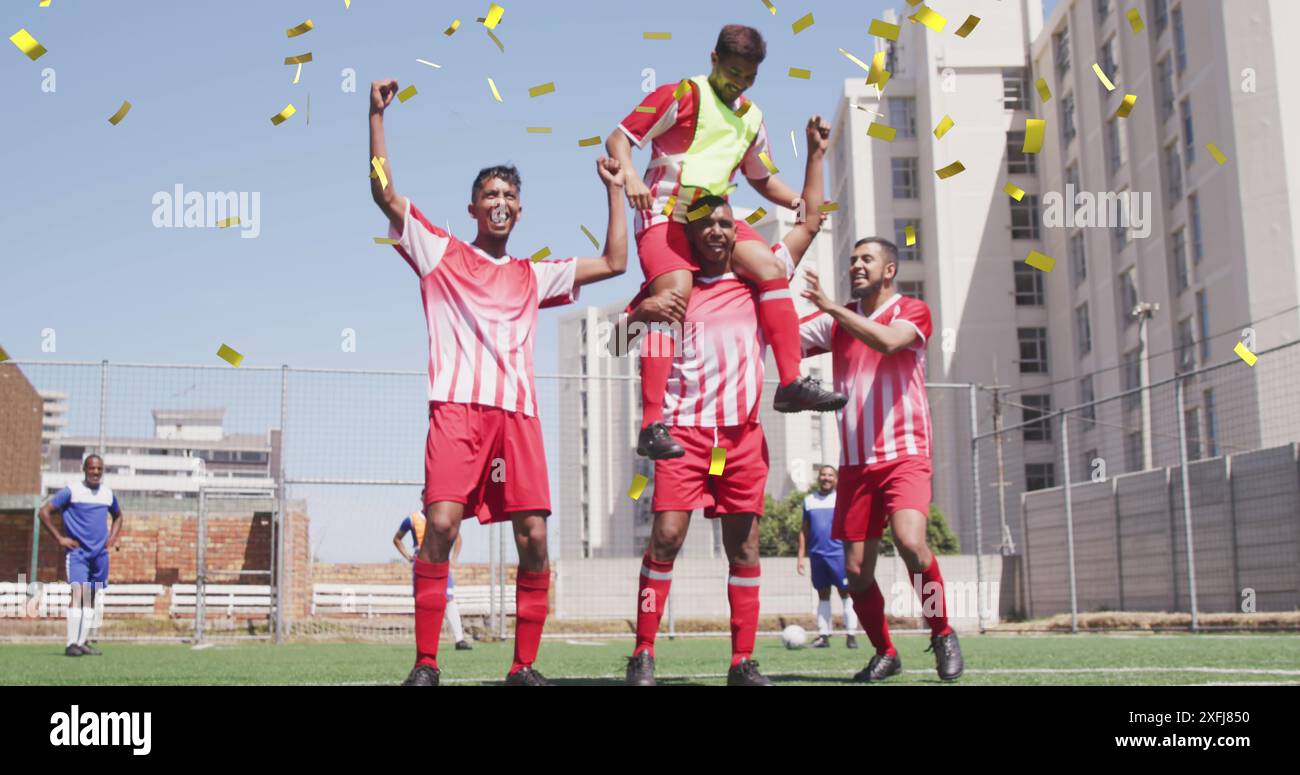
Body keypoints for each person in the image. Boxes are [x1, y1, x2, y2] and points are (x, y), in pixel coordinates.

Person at [369, 76, 628, 686]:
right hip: (457, 412)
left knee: (535, 538)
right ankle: (428, 662)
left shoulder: (533, 275)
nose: (501, 201)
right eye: (490, 193)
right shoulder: (440, 252)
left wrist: (614, 191)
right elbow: (384, 194)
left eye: (510, 193)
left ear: (520, 207)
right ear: (473, 207)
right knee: (439, 526)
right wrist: (376, 117)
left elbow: (617, 262)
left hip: (517, 417)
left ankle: (523, 666)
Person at [624, 117, 831, 686]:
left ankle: (742, 661)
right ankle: (642, 652)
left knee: (744, 548)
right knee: (666, 537)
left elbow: (811, 220)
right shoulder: (670, 288)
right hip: (685, 437)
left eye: (725, 222)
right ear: (690, 233)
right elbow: (619, 340)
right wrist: (639, 314)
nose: (717, 231)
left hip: (738, 439)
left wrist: (815, 154)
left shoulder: (758, 283)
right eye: (707, 224)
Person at [606, 24, 844, 462]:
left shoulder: (752, 117)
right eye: (733, 73)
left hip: (713, 217)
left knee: (771, 268)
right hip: (666, 213)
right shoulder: (679, 94)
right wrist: (633, 176)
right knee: (673, 296)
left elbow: (762, 177)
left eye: (749, 77)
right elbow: (619, 138)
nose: (739, 84)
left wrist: (793, 197)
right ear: (713, 59)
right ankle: (652, 424)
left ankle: (791, 383)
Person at [799, 239, 965, 681]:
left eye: (865, 259)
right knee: (854, 572)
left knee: (911, 542)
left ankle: (942, 631)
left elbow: (891, 343)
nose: (856, 265)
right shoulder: (835, 319)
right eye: (852, 259)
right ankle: (885, 652)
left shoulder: (911, 310)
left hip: (905, 454)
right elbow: (783, 337)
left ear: (889, 269)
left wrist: (832, 308)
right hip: (854, 464)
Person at [38, 454, 123, 657]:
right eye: (92, 468)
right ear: (84, 469)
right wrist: (60, 538)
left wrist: (112, 538)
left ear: (102, 471)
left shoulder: (107, 494)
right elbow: (43, 512)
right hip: (78, 554)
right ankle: (71, 644)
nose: (95, 472)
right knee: (78, 594)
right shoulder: (72, 491)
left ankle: (83, 641)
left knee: (92, 597)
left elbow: (118, 516)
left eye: (99, 469)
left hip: (99, 555)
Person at [797, 465, 859, 649]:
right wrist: (801, 556)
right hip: (817, 556)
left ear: (836, 479)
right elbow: (804, 530)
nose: (826, 478)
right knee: (823, 595)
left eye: (830, 475)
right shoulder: (809, 501)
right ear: (818, 478)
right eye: (823, 475)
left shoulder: (842, 500)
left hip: (839, 555)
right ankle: (823, 635)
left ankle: (851, 635)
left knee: (846, 594)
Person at [395, 508, 470, 651]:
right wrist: (408, 556)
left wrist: (454, 559)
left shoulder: (443, 516)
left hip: (441, 560)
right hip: (421, 561)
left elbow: (458, 538)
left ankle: (459, 640)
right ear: (422, 499)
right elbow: (397, 538)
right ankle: (425, 642)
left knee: (449, 598)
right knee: (423, 599)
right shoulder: (412, 519)